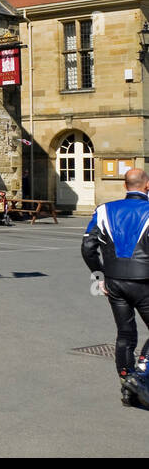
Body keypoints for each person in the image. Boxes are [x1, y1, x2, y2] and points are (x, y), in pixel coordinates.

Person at [81, 168, 149, 396]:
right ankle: (140, 372)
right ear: (147, 186)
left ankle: (127, 381)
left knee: (125, 333)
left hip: (114, 281)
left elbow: (87, 248)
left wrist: (98, 276)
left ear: (125, 186)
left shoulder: (104, 210)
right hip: (144, 280)